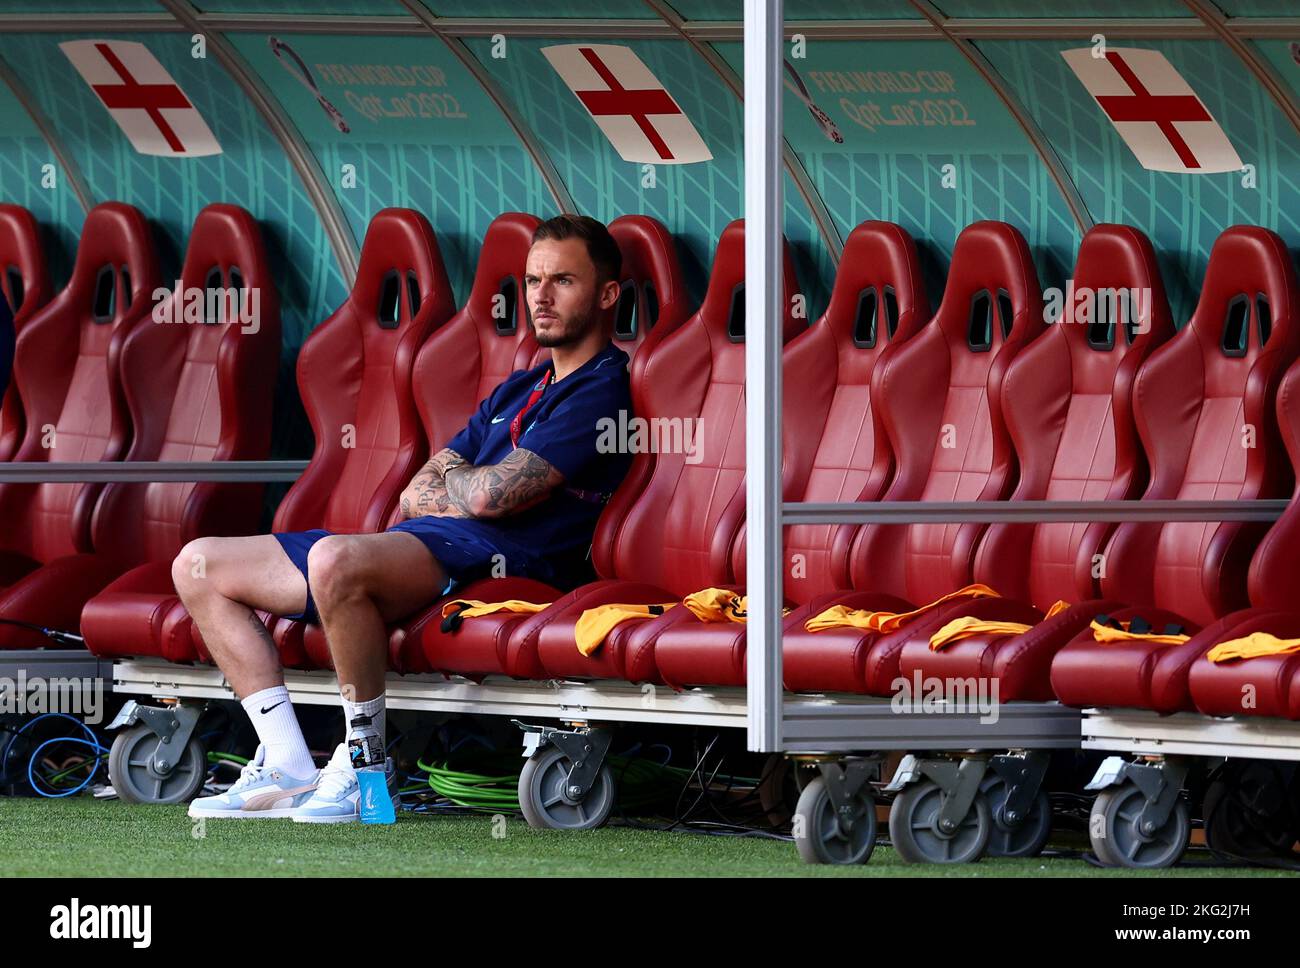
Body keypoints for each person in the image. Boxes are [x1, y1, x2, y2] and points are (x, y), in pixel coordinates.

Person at [176, 214, 632, 822]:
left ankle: (365, 768)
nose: (541, 297)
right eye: (531, 280)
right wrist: (466, 490)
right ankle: (285, 761)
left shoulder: (605, 391)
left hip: (506, 564)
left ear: (606, 294)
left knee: (334, 558)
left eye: (563, 281)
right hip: (424, 543)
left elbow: (495, 501)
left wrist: (464, 489)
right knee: (199, 564)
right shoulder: (518, 388)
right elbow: (416, 494)